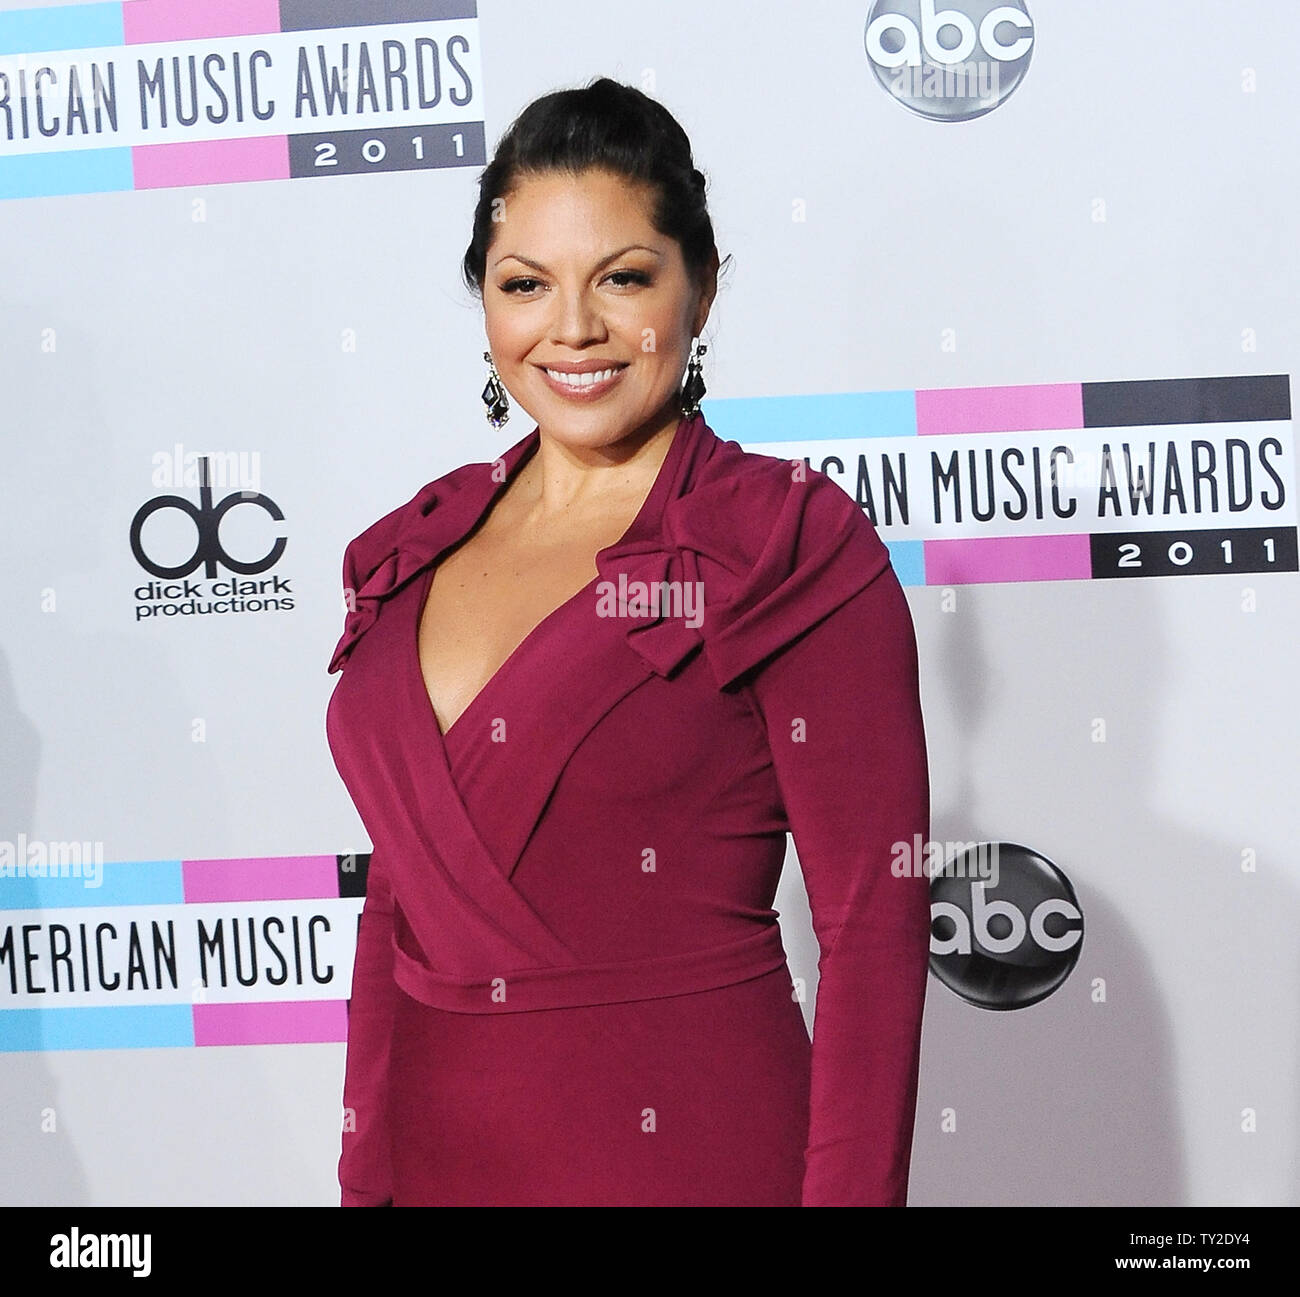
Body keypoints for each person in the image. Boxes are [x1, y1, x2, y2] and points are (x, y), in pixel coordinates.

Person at [325, 77, 930, 1207]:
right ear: (486, 304)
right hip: (438, 1163)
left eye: (623, 279)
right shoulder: (417, 546)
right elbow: (396, 910)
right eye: (525, 285)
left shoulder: (783, 542)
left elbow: (871, 935)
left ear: (700, 293)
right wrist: (364, 1182)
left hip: (690, 1154)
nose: (573, 329)